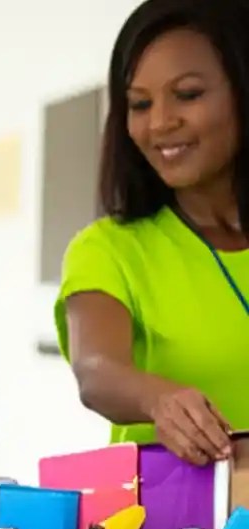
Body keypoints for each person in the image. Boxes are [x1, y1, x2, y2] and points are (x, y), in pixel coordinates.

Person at [56, 0, 249, 466]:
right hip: (171, 528)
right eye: (140, 103)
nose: (160, 122)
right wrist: (156, 398)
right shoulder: (109, 248)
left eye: (187, 94)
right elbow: (96, 370)